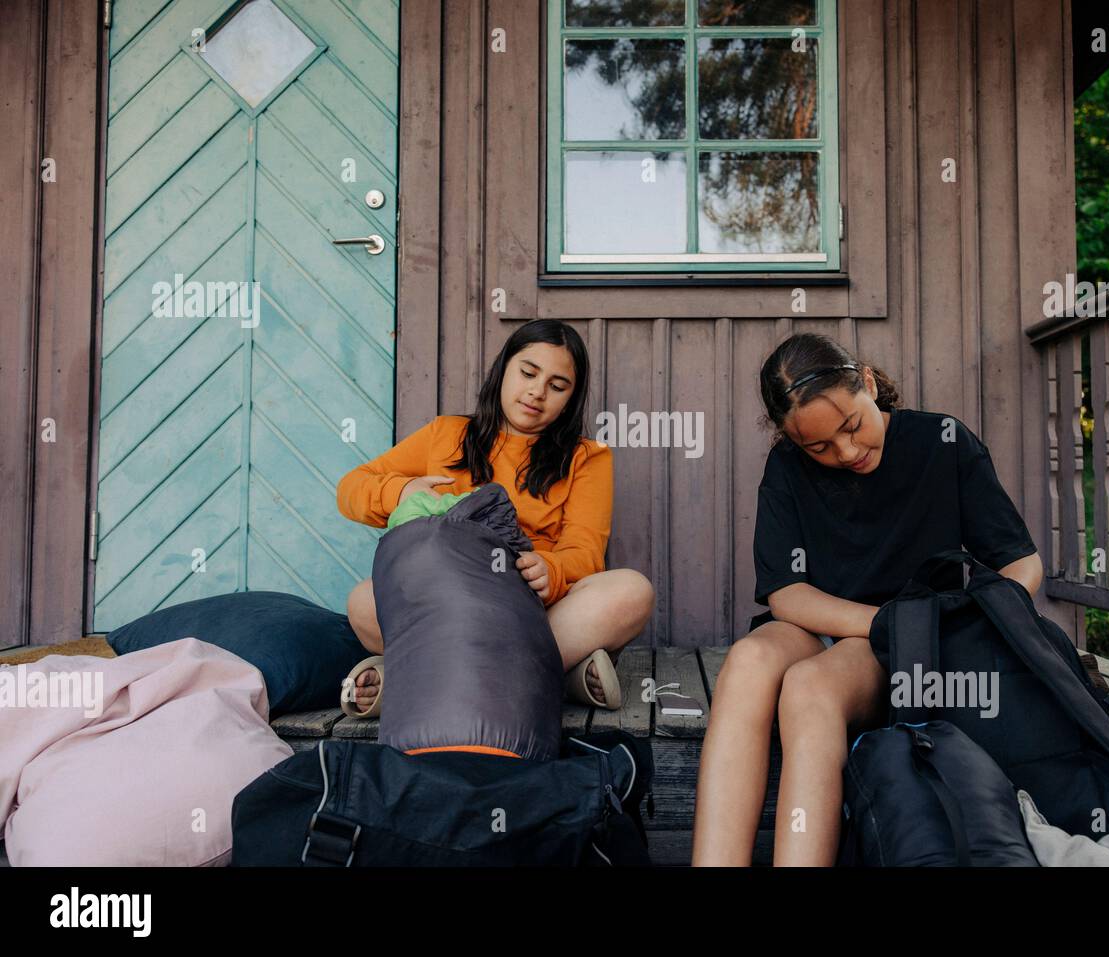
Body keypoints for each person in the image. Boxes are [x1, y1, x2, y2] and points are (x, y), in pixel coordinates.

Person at [691, 333, 1044, 866]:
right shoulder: (786, 467)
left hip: (908, 641)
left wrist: (979, 624)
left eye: (852, 426)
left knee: (810, 687)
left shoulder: (942, 442)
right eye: (819, 448)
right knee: (748, 660)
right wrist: (881, 621)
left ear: (870, 385)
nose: (847, 452)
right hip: (840, 621)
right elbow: (787, 593)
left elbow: (1021, 561)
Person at [335, 319, 654, 713]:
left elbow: (586, 551)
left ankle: (410, 680)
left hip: (532, 609)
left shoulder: (587, 458)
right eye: (527, 373)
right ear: (503, 369)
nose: (537, 392)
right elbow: (350, 489)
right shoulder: (447, 434)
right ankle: (558, 676)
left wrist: (550, 569)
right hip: (445, 599)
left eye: (557, 386)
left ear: (571, 399)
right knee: (364, 601)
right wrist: (402, 489)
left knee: (631, 591)